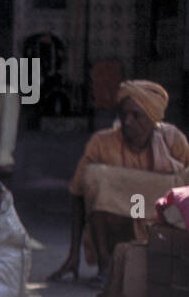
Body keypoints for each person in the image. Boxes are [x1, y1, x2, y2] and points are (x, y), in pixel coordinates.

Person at [49, 80, 189, 285]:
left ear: (152, 118)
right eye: (124, 114)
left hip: (153, 218)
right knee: (96, 176)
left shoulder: (173, 140)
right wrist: (73, 255)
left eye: (136, 115)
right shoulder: (102, 142)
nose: (128, 121)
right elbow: (77, 193)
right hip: (116, 221)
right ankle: (106, 266)